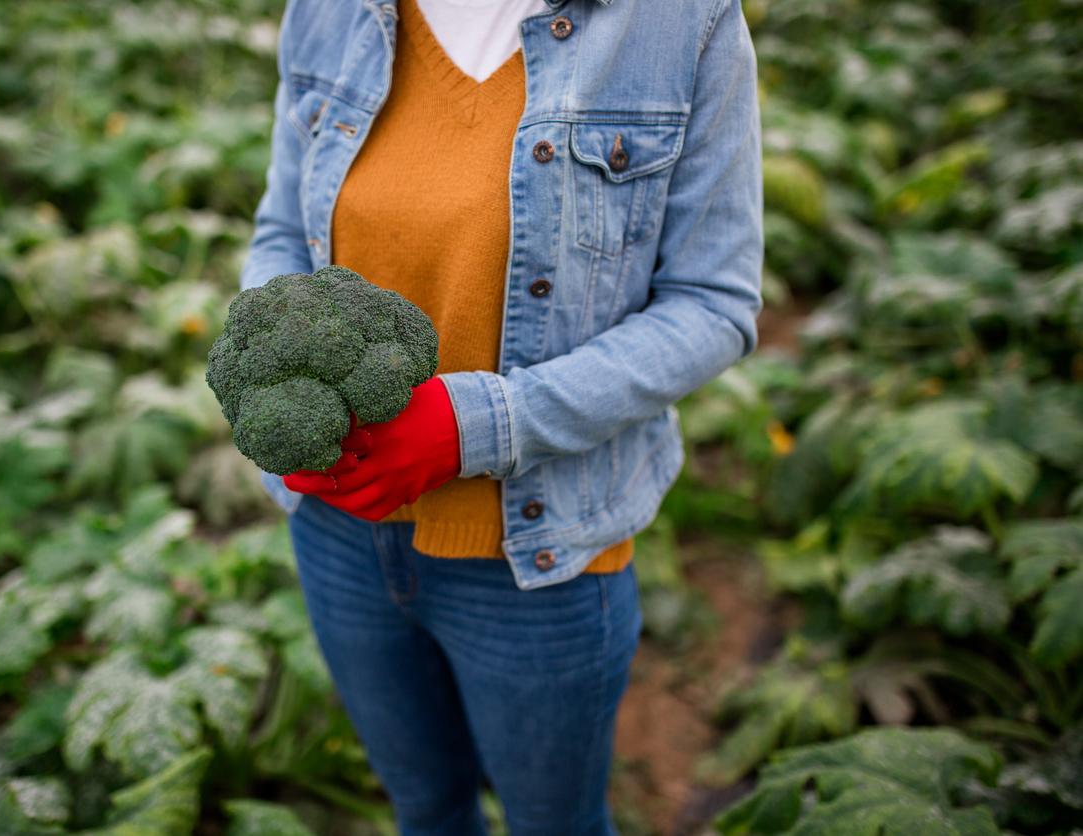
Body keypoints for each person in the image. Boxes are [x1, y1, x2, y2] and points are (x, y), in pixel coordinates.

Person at [238, 0, 763, 832]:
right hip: (337, 532)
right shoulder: (331, 10)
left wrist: (475, 427)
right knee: (427, 811)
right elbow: (280, 237)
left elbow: (711, 307)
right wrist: (281, 379)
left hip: (536, 557)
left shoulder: (678, 23)